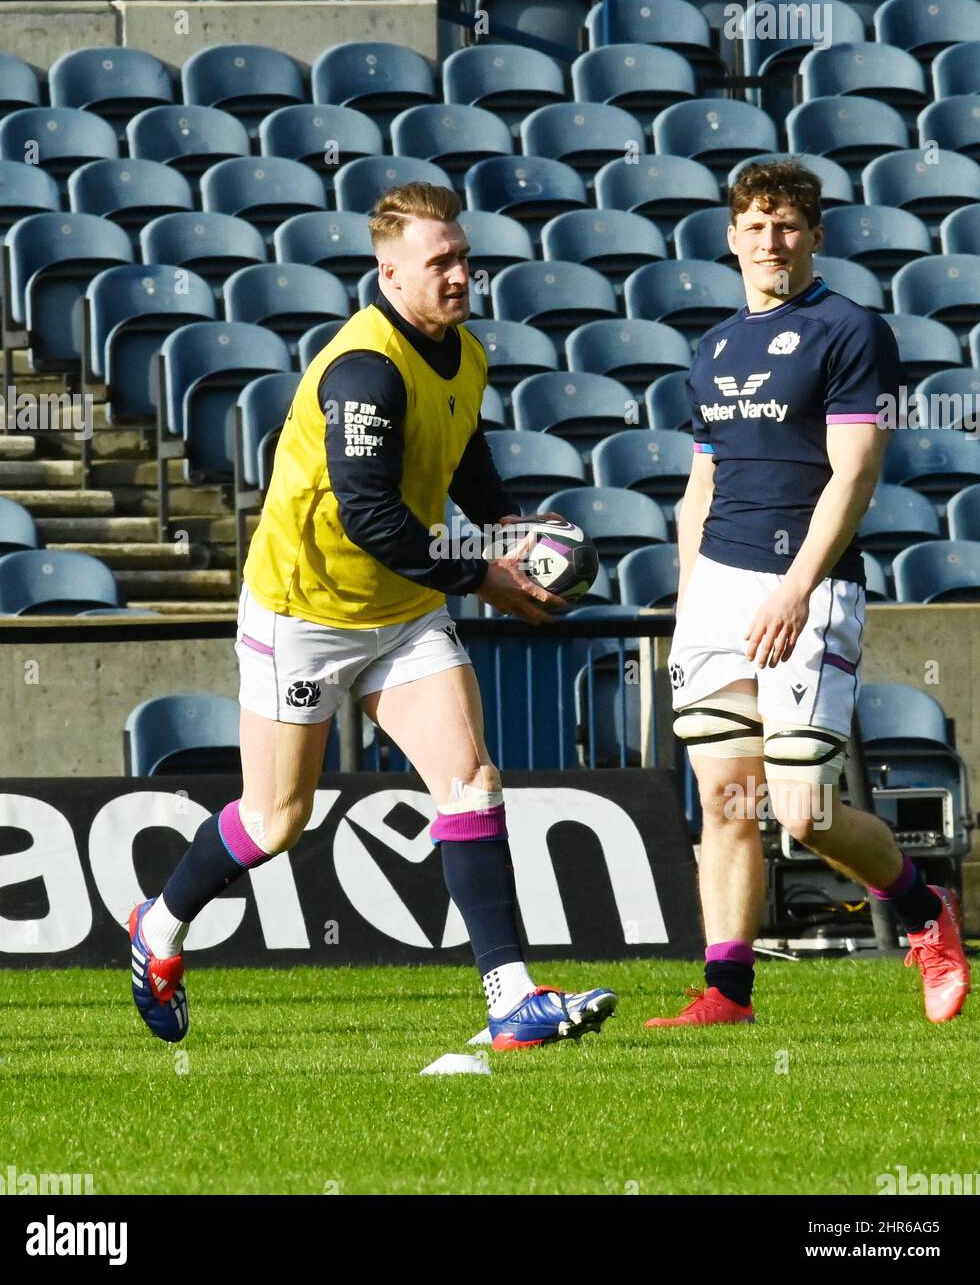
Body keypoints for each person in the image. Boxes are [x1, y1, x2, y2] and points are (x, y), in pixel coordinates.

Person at [129, 181, 617, 1049]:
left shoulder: (462, 350)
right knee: (278, 819)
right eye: (442, 262)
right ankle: (159, 927)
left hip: (406, 606)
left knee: (471, 783)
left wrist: (509, 529)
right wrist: (489, 577)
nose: (462, 273)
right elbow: (375, 519)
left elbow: (464, 452)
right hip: (306, 609)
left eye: (464, 256)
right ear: (387, 271)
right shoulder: (366, 369)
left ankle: (509, 1000)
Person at [648, 159, 971, 1028]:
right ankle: (727, 994)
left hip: (809, 587)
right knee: (725, 801)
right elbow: (700, 488)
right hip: (717, 590)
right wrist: (691, 602)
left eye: (787, 225)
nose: (770, 240)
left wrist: (796, 587)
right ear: (730, 238)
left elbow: (855, 473)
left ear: (815, 237)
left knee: (802, 806)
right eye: (754, 225)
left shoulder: (849, 330)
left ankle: (921, 906)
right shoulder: (713, 347)